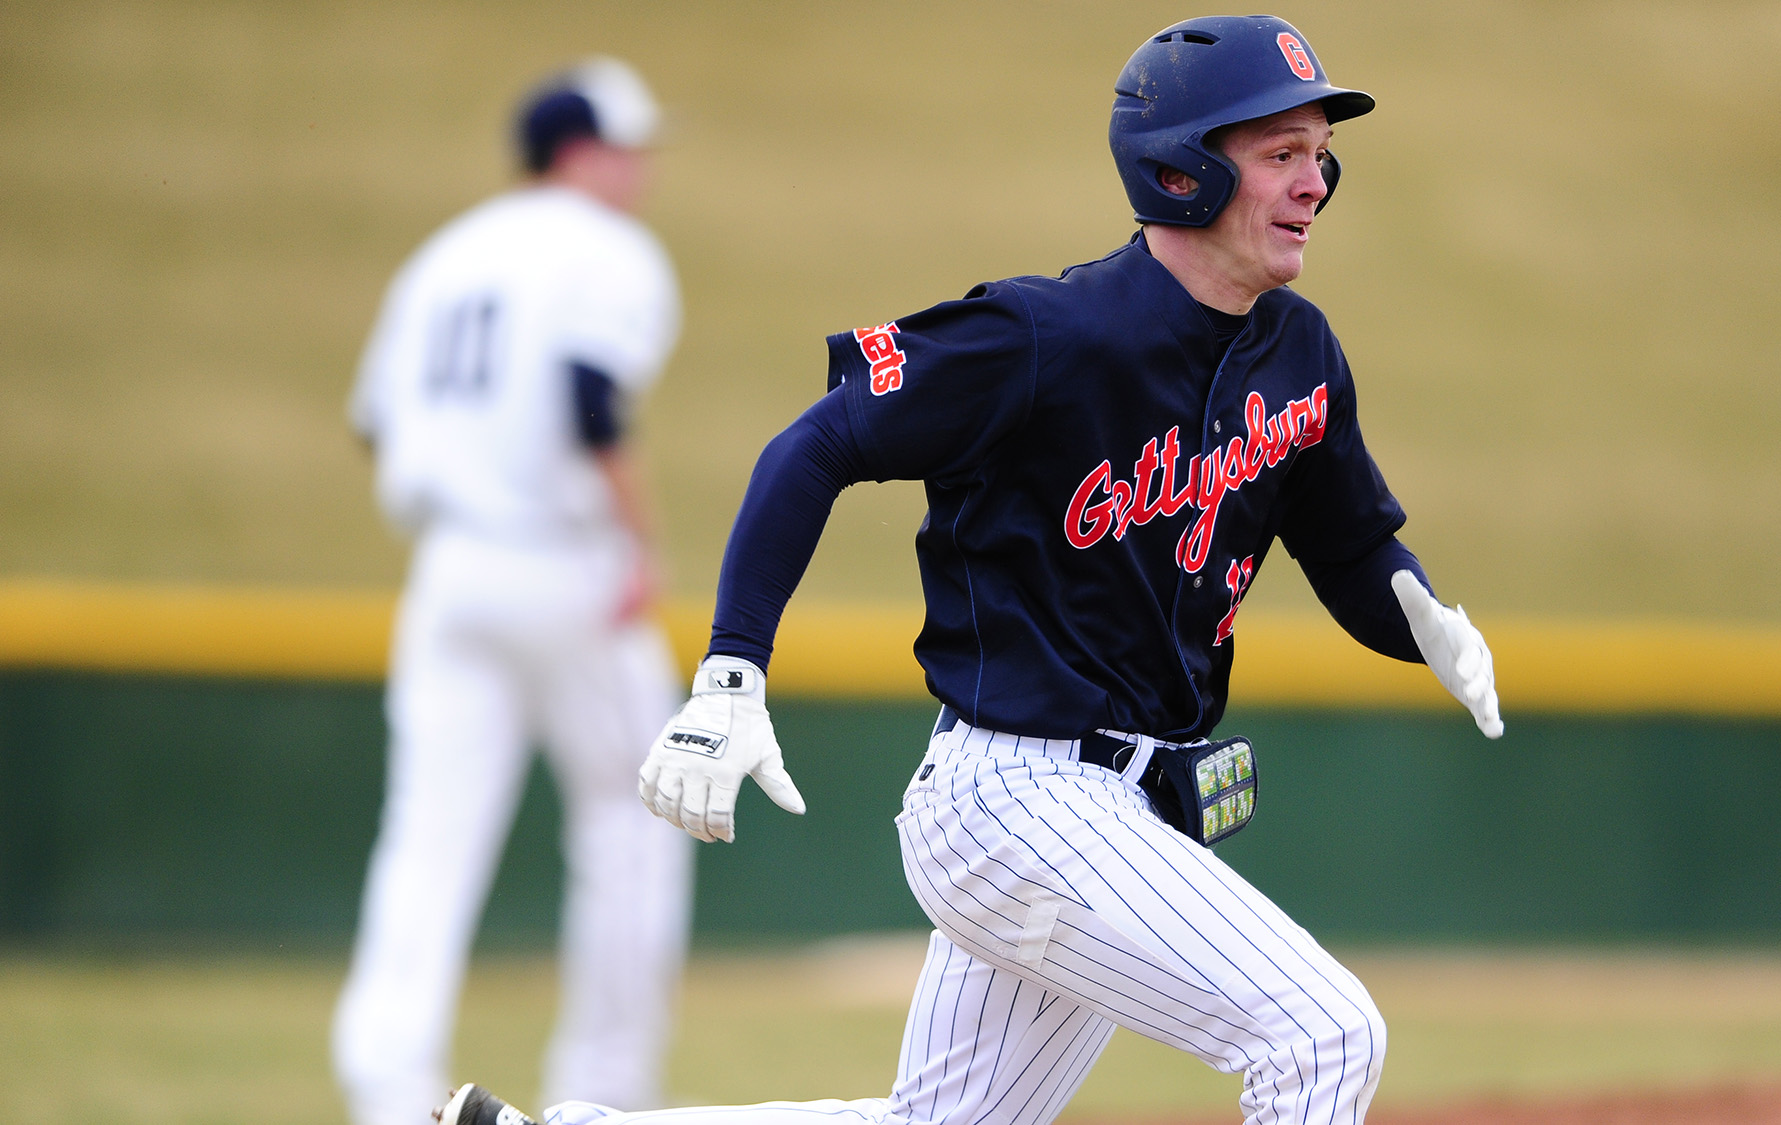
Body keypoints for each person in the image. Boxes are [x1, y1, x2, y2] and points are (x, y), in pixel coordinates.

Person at [441, 16, 1501, 1125]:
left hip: (1123, 806)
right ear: (1180, 170)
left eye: (1318, 153)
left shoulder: (1297, 349)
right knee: (1321, 1036)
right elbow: (817, 444)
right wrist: (730, 670)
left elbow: (1350, 550)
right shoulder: (1045, 334)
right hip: (1016, 795)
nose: (1314, 181)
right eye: (1279, 152)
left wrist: (1419, 615)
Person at [336, 56, 694, 1125]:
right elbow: (590, 402)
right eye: (626, 151)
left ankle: (386, 1086)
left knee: (425, 834)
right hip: (561, 558)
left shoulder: (446, 254)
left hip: (449, 565)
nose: (639, 173)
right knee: (640, 821)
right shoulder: (607, 252)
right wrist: (642, 543)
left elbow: (373, 419)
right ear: (579, 153)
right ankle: (603, 1092)